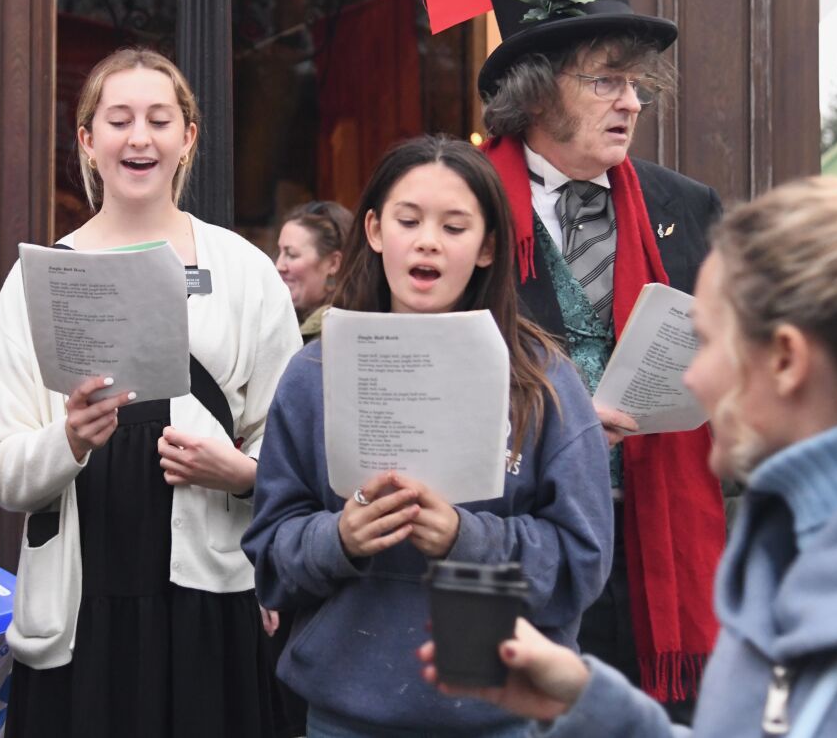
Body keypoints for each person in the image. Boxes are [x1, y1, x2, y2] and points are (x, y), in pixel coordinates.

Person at [419, 177, 837, 735]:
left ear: (786, 359)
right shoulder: (789, 547)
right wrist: (595, 708)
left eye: (706, 341)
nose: (692, 378)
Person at [0, 47, 301, 738]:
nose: (139, 137)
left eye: (159, 118)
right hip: (79, 605)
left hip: (209, 599)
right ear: (88, 141)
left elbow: (295, 450)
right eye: (117, 119)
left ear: (189, 137)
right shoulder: (37, 280)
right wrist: (66, 440)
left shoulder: (243, 270)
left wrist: (240, 473)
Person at [245, 135, 612, 737]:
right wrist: (340, 537)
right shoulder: (314, 374)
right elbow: (271, 556)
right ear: (373, 230)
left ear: (489, 245)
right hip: (346, 714)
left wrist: (468, 537)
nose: (428, 242)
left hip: (499, 714)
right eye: (408, 220)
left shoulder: (543, 383)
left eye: (455, 226)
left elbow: (581, 564)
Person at [477, 0, 726, 715]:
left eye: (637, 82)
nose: (634, 101)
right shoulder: (460, 200)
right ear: (538, 91)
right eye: (608, 81)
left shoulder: (686, 207)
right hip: (520, 537)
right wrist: (560, 422)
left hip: (659, 543)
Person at [274, 200, 353, 342]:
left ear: (333, 263)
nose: (279, 266)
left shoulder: (345, 335)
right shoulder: (277, 320)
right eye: (279, 252)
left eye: (291, 254)